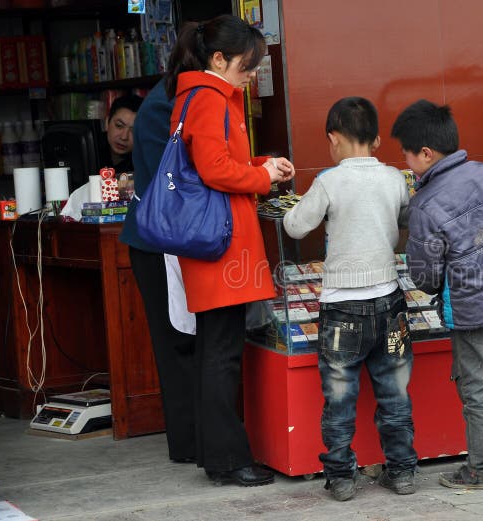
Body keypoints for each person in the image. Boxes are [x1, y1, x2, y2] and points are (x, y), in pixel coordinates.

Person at [164, 15, 294, 487]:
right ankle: (227, 459)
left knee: (215, 350)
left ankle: (217, 452)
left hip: (216, 241)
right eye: (246, 64)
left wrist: (261, 165)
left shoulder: (204, 96)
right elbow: (215, 168)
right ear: (218, 59)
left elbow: (216, 165)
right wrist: (260, 176)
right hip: (220, 244)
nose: (252, 73)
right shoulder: (207, 98)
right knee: (221, 353)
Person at [391, 99, 483, 490]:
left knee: (478, 386)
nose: (406, 163)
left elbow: (424, 274)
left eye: (406, 154)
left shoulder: (425, 203)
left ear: (425, 153)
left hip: (474, 307)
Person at [283, 97, 417, 501]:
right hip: (390, 305)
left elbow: (294, 226)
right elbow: (407, 218)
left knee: (340, 397)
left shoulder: (329, 181)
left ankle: (341, 478)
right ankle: (403, 472)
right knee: (395, 393)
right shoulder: (395, 177)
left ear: (333, 139)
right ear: (377, 140)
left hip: (342, 310)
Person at [119, 71, 197, 465]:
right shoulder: (159, 109)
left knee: (189, 340)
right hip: (158, 243)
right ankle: (187, 442)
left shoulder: (179, 100)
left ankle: (197, 437)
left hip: (175, 239)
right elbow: (170, 181)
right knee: (175, 342)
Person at [103, 94, 143, 173]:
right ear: (107, 123)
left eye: (134, 131)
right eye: (119, 126)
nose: (124, 137)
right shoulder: (90, 148)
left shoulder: (144, 163)